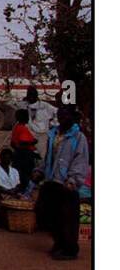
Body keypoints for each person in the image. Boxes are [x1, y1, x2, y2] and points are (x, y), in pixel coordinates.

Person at [34, 106, 89, 260]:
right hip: (53, 181)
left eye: (65, 116)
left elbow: (80, 160)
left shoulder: (78, 137)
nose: (62, 119)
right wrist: (40, 171)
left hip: (67, 184)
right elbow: (49, 157)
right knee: (50, 214)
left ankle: (69, 249)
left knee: (67, 218)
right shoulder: (54, 135)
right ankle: (58, 243)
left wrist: (73, 180)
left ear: (72, 117)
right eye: (60, 116)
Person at [18, 86, 55, 157]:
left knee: (41, 158)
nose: (31, 96)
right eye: (29, 94)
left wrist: (52, 125)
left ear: (36, 95)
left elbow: (56, 112)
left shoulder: (45, 106)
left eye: (33, 94)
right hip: (28, 136)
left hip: (42, 136)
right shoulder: (24, 105)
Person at [9, 108, 38, 193]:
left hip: (18, 155)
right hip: (25, 157)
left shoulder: (16, 127)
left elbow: (13, 143)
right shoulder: (23, 128)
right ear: (25, 118)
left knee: (19, 176)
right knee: (25, 177)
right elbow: (23, 143)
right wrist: (33, 142)